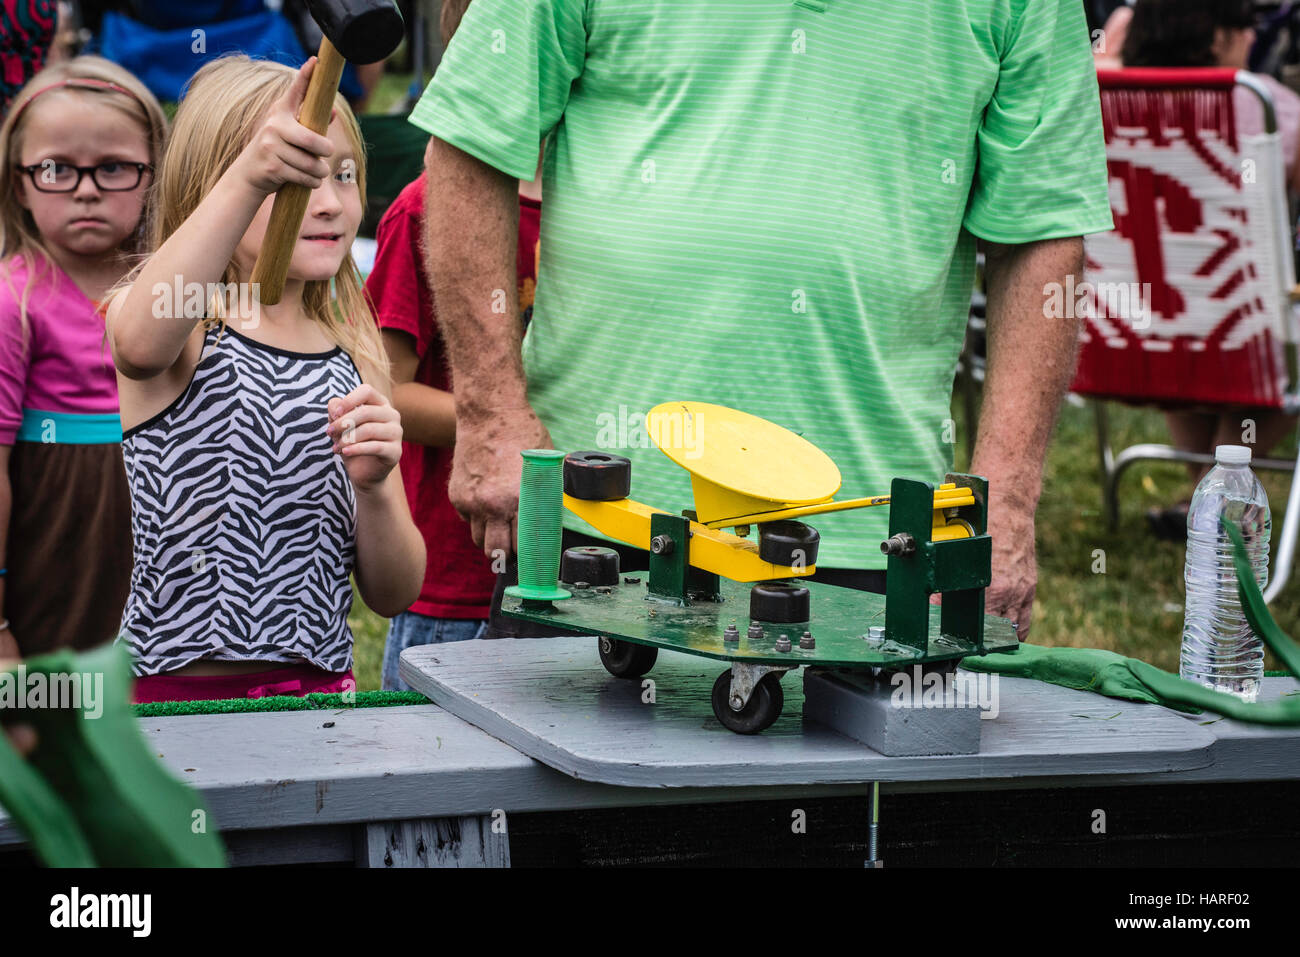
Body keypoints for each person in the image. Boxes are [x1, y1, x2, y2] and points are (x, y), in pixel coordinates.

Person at [414, 0, 1113, 638]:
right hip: (599, 509)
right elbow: (469, 144)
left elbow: (1043, 234)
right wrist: (491, 414)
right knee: (571, 769)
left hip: (877, 534)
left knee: (834, 779)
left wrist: (1005, 508)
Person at [105, 54, 424, 702]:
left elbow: (393, 593)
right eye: (294, 180)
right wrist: (254, 171)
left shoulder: (356, 352)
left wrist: (379, 488)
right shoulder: (186, 326)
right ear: (219, 186)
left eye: (343, 174)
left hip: (315, 697)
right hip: (163, 697)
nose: (330, 202)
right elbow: (137, 346)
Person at [368, 0, 542, 690]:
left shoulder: (599, 211)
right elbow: (386, 388)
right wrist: (518, 432)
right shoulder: (423, 207)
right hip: (454, 581)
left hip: (575, 580)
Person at [0, 56, 167, 660]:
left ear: (154, 174)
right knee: (59, 711)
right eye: (55, 169)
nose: (88, 189)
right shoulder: (12, 300)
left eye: (115, 167)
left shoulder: (177, 288)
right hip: (57, 541)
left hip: (167, 549)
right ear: (19, 181)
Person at [1115, 0, 1300, 540]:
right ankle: (1214, 495)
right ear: (1217, 36)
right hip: (1238, 324)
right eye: (1247, 26)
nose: (1253, 38)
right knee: (1265, 328)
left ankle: (1202, 491)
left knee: (1207, 325)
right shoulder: (1264, 106)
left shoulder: (1098, 101)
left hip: (1136, 331)